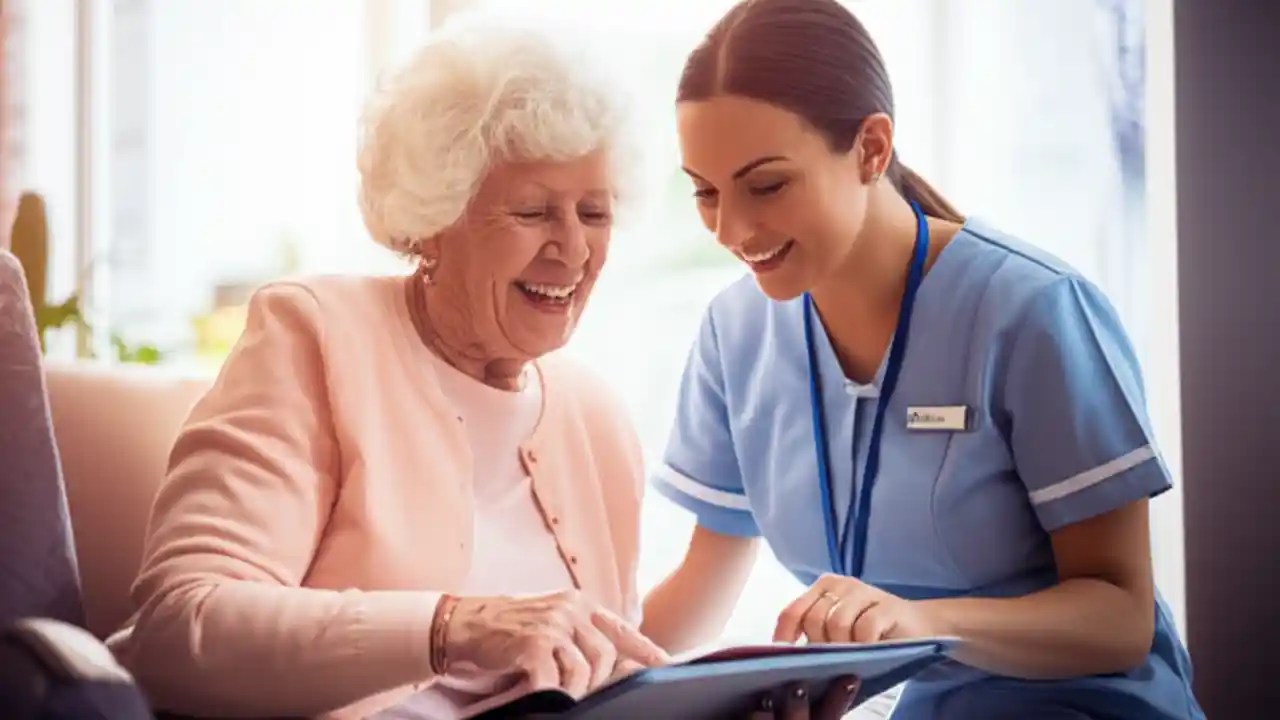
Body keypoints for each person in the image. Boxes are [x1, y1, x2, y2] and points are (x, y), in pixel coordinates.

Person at [107, 9, 860, 720]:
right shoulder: (317, 336)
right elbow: (181, 629)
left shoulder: (591, 413)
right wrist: (453, 627)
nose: (573, 250)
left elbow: (605, 678)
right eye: (533, 212)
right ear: (433, 219)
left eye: (594, 213)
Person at [641, 1, 1206, 718]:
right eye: (704, 192)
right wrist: (580, 671)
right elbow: (703, 585)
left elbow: (1120, 618)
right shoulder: (735, 333)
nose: (730, 229)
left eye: (767, 185)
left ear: (871, 149)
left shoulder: (1034, 311)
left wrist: (924, 623)